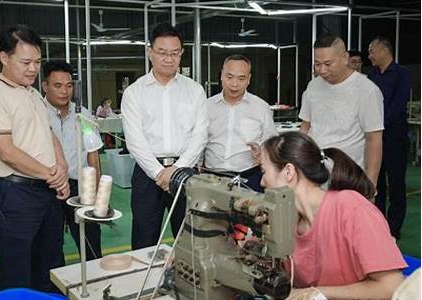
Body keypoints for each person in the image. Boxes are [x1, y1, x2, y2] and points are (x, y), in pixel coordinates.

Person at [0, 24, 69, 292]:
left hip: (46, 193)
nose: (33, 69)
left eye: (37, 62)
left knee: (51, 267)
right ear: (4, 57)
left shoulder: (33, 93)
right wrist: (53, 175)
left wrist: (61, 168)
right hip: (16, 195)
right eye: (25, 62)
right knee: (18, 270)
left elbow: (50, 136)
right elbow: (7, 152)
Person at [259, 132, 406, 300]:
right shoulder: (287, 221)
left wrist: (316, 293)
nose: (262, 182)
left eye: (264, 171)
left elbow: (393, 287)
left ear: (288, 172)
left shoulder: (351, 208)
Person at [121, 23, 208, 250]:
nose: (168, 59)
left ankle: (187, 285)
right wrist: (160, 173)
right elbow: (135, 140)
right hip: (148, 175)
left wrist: (177, 170)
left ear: (181, 54)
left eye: (174, 53)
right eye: (162, 52)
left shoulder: (195, 90)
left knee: (189, 239)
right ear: (150, 52)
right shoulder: (134, 93)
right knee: (144, 239)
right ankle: (144, 283)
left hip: (185, 171)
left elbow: (200, 136)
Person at [299, 33, 384, 187]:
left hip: (348, 177)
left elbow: (374, 139)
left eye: (328, 63)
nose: (322, 70)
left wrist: (371, 184)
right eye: (317, 64)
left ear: (345, 57)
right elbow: (305, 127)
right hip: (314, 175)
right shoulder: (313, 87)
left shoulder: (366, 90)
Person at [42, 60, 104, 260]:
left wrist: (96, 193)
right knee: (50, 245)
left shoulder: (83, 116)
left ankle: (96, 283)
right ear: (45, 86)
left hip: (80, 186)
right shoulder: (37, 114)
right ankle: (53, 290)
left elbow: (93, 154)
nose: (64, 92)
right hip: (48, 187)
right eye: (57, 86)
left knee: (90, 240)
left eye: (69, 86)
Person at [204, 54, 277, 192]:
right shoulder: (207, 106)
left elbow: (272, 142)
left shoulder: (261, 107)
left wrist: (262, 152)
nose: (234, 84)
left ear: (249, 79)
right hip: (212, 177)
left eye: (241, 78)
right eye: (229, 77)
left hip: (250, 177)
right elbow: (198, 140)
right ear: (221, 76)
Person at [368, 36, 412, 240]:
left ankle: (394, 228)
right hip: (375, 139)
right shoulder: (372, 75)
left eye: (372, 51)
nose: (369, 56)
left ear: (384, 50)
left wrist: (377, 124)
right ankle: (378, 225)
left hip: (394, 138)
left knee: (396, 184)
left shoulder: (402, 74)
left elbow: (398, 104)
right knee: (376, 183)